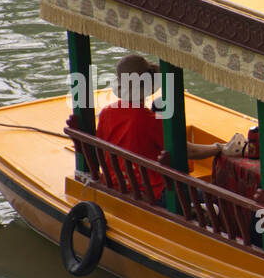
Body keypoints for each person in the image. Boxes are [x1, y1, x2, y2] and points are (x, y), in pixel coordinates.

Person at [93, 54, 230, 204]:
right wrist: (219, 147)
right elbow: (188, 151)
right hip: (151, 191)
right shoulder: (147, 119)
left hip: (116, 182)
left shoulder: (106, 113)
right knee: (219, 199)